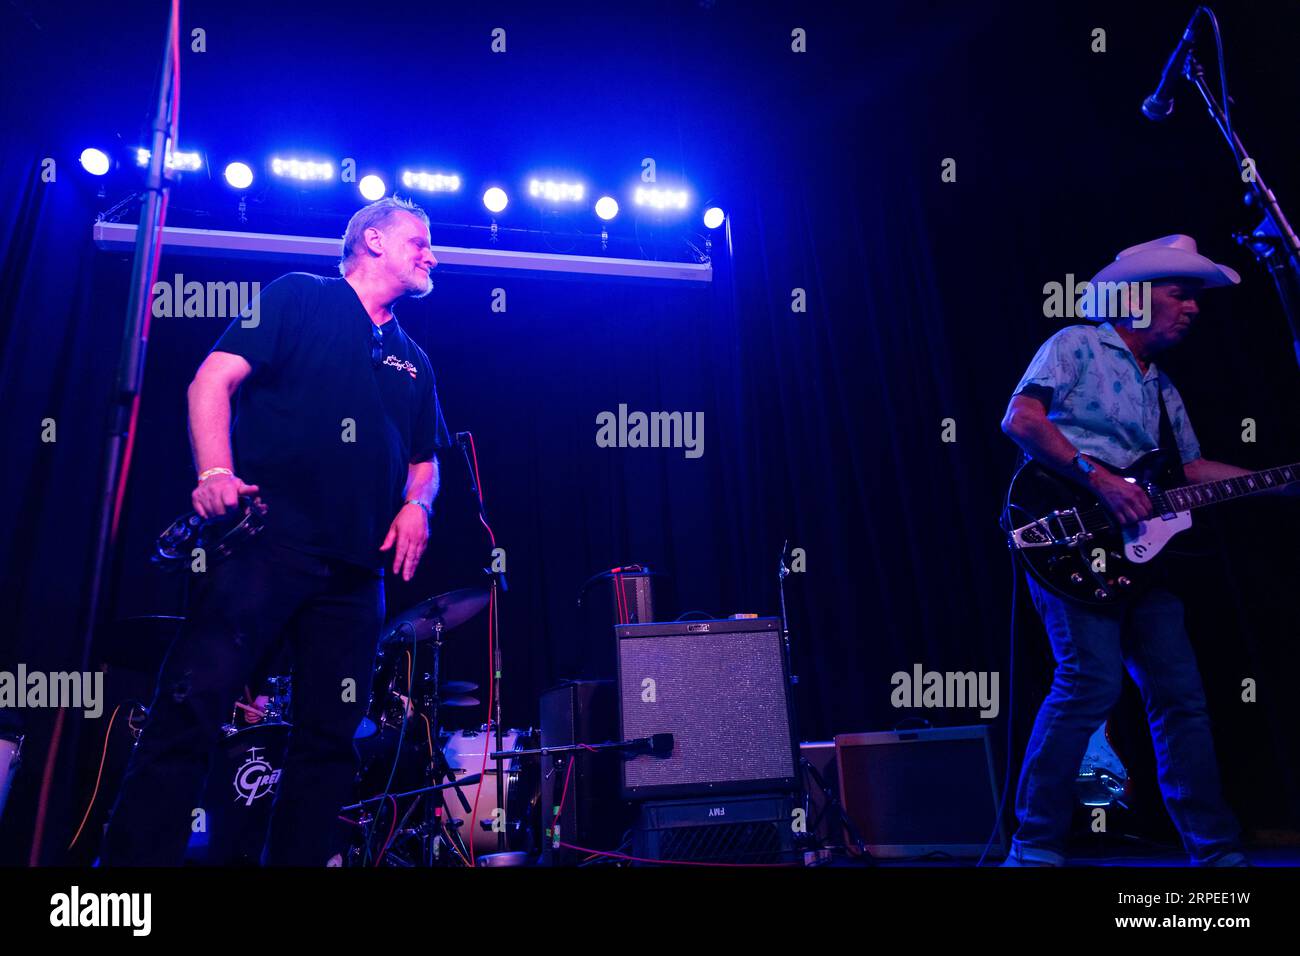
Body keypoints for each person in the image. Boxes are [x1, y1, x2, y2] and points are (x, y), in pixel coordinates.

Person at [102, 196, 451, 865]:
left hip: (356, 571)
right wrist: (214, 471)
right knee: (190, 709)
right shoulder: (297, 296)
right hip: (266, 543)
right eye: (420, 241)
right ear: (373, 240)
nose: (432, 254)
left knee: (329, 741)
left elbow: (424, 461)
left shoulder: (416, 359)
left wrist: (419, 506)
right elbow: (211, 380)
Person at [1000, 234, 1278, 867]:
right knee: (1087, 683)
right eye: (1181, 294)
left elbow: (1191, 466)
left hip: (1148, 554)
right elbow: (1020, 420)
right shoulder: (1074, 343)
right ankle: (1034, 847)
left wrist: (1280, 481)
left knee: (1181, 698)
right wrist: (1101, 480)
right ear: (1134, 297)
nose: (1195, 308)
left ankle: (1216, 855)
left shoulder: (1163, 385)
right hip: (1066, 535)